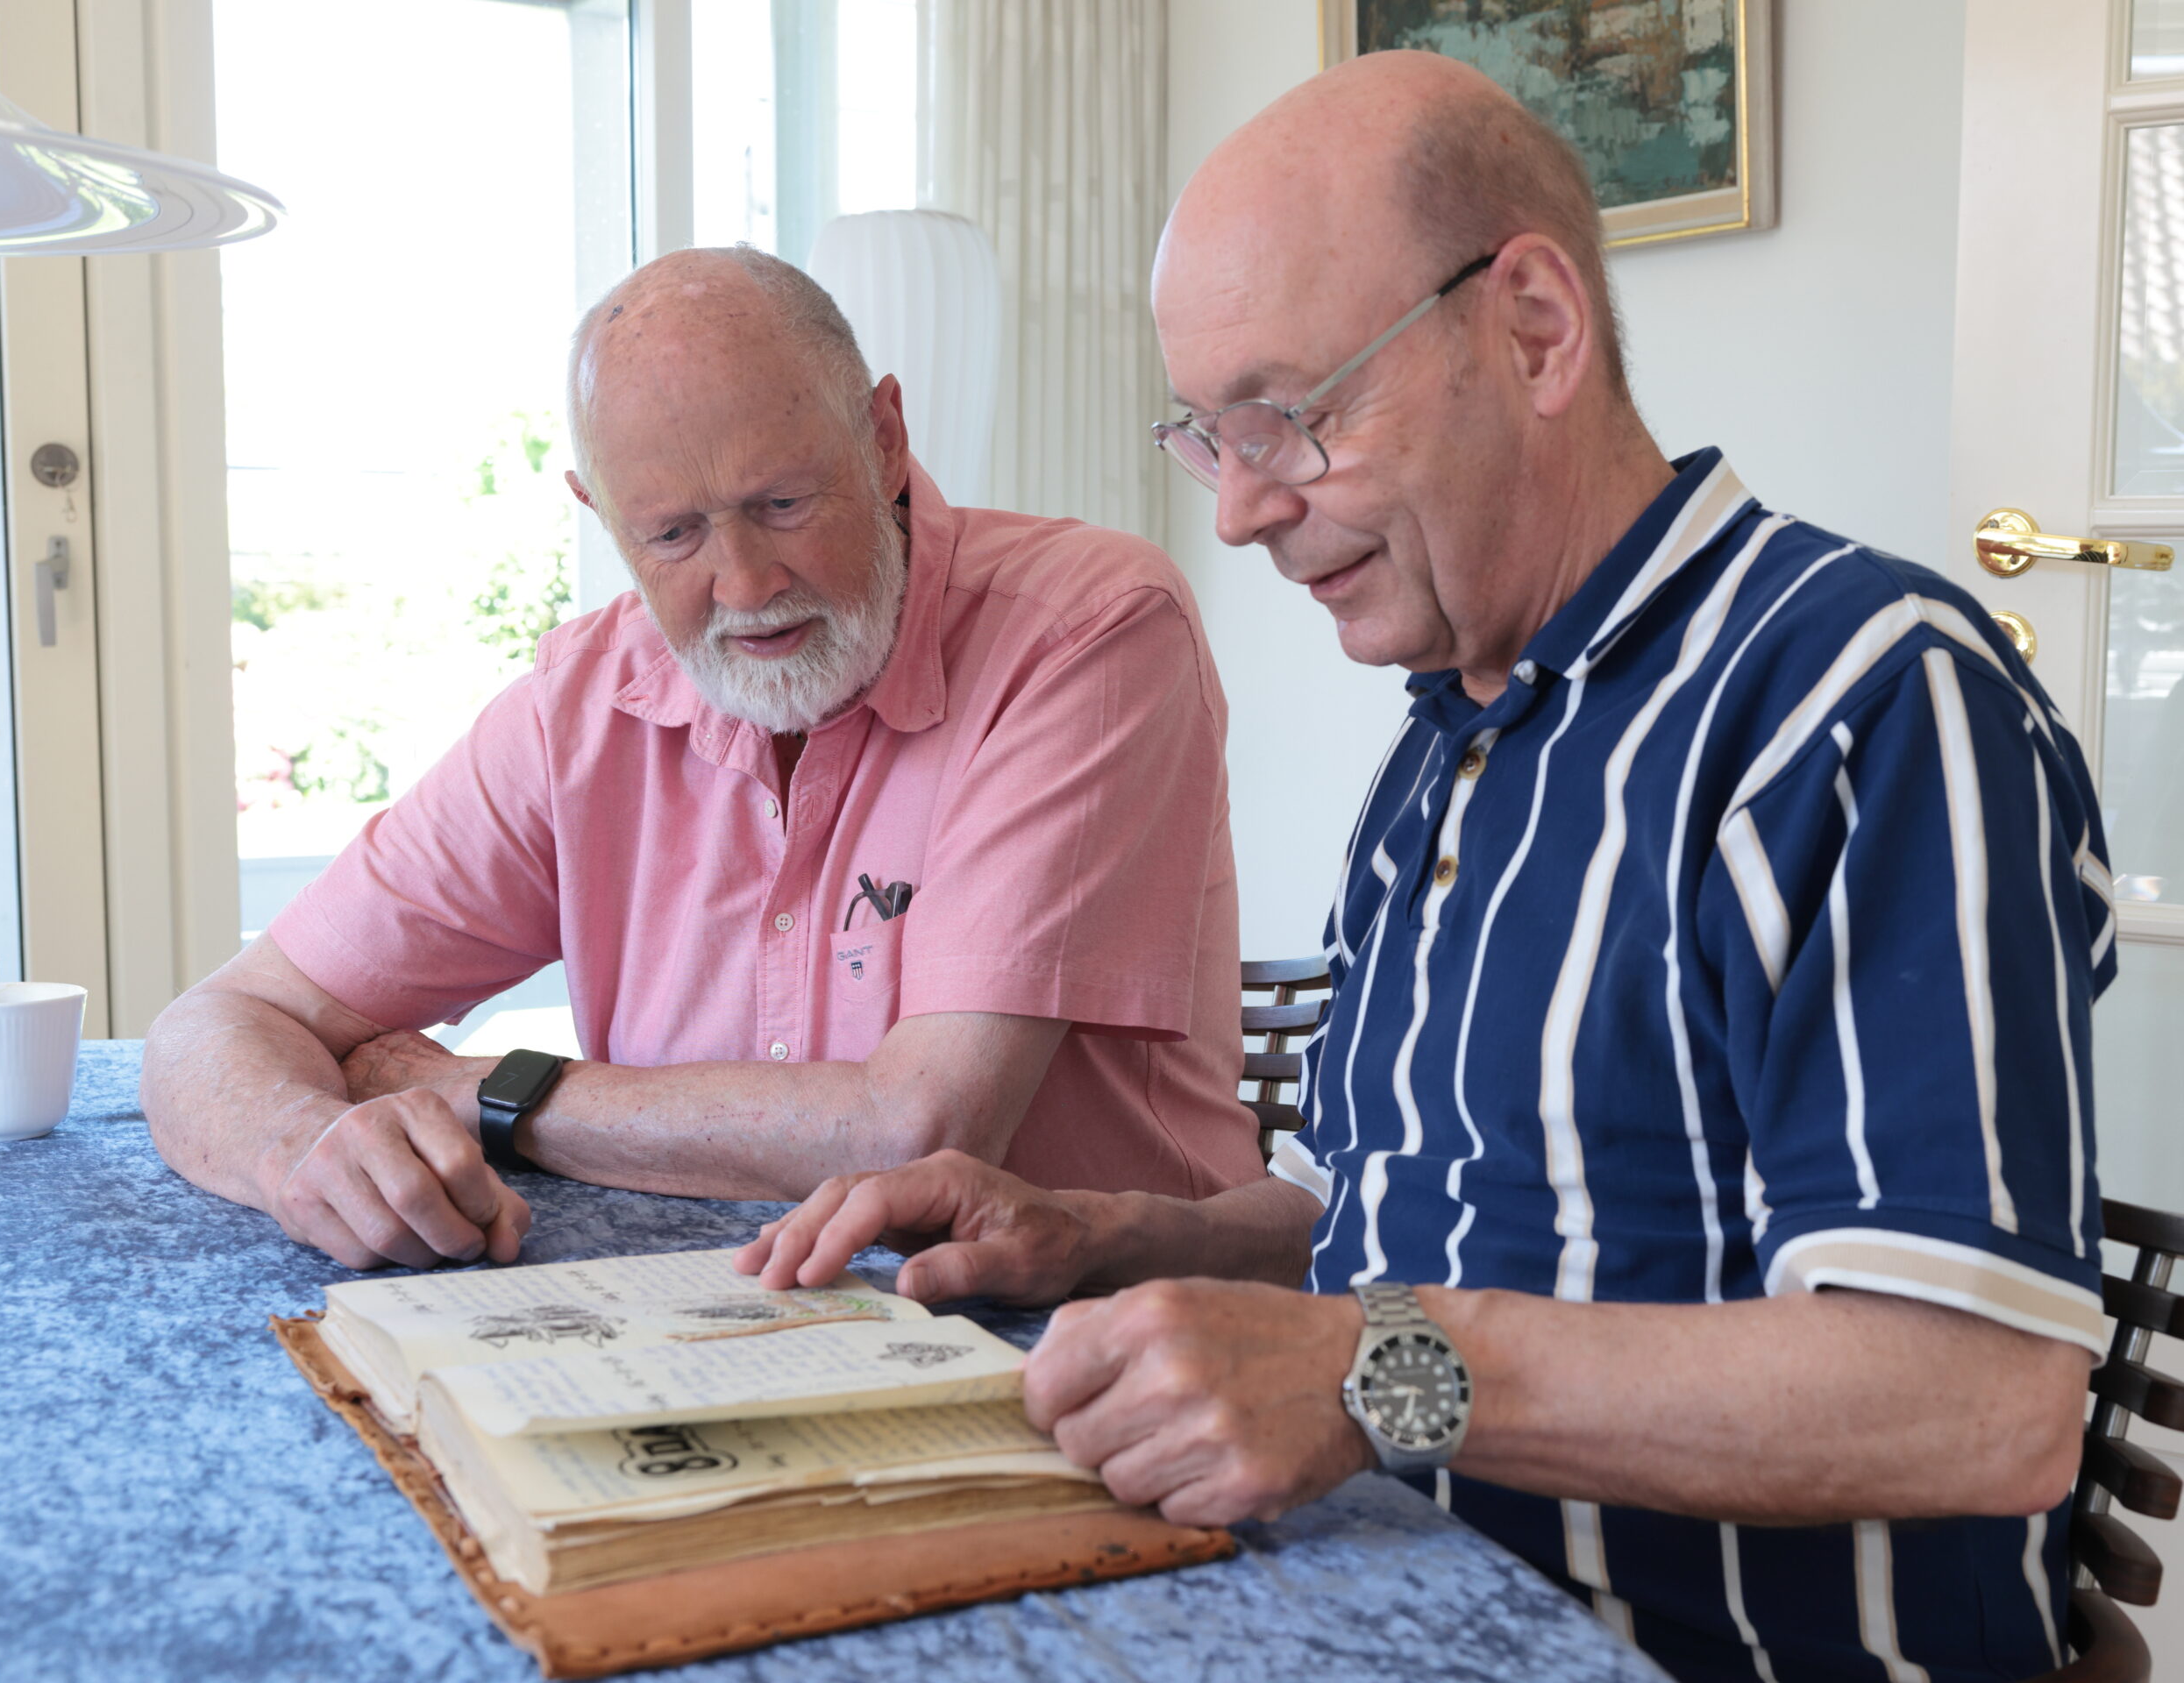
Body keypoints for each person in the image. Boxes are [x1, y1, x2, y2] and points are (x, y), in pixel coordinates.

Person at [741, 53, 2112, 1683]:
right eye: (1210, 437)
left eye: (1292, 418)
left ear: (1533, 329)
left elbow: (1974, 1402)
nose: (1241, 510)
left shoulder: (1862, 702)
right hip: (1385, 1603)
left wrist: (1370, 1374)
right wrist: (1102, 1236)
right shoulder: (1452, 732)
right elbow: (1367, 1207)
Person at [143, 246, 1261, 1273]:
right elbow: (213, 1027)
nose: (743, 584)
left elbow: (917, 1129)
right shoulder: (575, 705)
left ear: (883, 440)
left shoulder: (1087, 628)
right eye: (671, 534)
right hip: (704, 1318)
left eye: (781, 504)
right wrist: (313, 1148)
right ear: (600, 515)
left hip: (1103, 1331)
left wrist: (470, 1090)